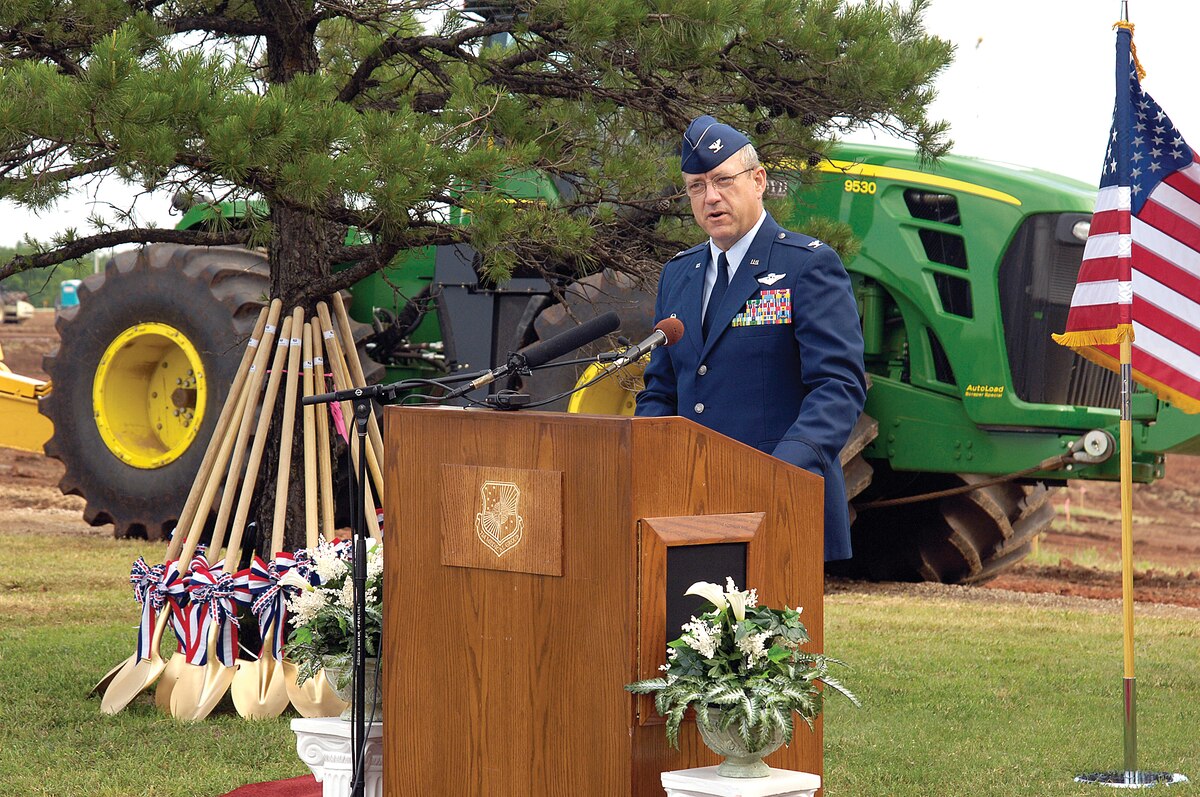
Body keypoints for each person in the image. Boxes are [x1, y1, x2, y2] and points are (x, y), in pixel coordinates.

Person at [636, 115, 867, 561]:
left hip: (779, 505)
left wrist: (778, 471)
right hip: (687, 508)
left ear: (758, 180)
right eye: (697, 186)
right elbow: (662, 389)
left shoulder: (806, 266)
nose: (711, 197)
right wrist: (648, 460)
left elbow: (838, 386)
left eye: (723, 180)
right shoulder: (678, 274)